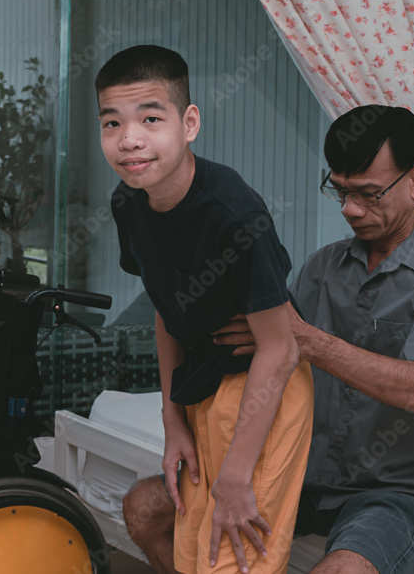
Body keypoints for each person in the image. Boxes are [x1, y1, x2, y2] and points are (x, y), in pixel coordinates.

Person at [123, 103, 414, 574]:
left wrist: (306, 339)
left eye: (370, 194)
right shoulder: (323, 265)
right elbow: (273, 357)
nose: (350, 209)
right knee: (143, 509)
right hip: (299, 472)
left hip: (397, 491)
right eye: (339, 191)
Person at [99, 44, 314, 574]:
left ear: (189, 122)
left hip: (262, 385)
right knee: (193, 553)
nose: (129, 139)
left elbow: (282, 348)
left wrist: (238, 474)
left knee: (233, 560)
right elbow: (166, 304)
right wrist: (171, 417)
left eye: (151, 117)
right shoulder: (130, 200)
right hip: (200, 384)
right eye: (112, 122)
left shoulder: (235, 215)